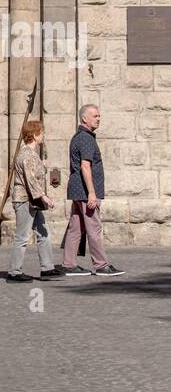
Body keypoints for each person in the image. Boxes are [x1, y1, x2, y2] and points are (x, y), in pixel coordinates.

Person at [62, 104, 123, 277]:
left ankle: (69, 264)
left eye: (99, 116)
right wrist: (92, 193)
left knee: (75, 227)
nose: (98, 119)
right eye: (95, 116)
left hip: (76, 190)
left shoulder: (78, 137)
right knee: (94, 227)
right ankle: (101, 265)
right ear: (84, 119)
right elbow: (85, 167)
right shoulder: (86, 138)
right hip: (84, 191)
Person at [7, 120, 62, 282]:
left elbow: (33, 174)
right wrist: (43, 196)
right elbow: (30, 179)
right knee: (22, 236)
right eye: (41, 132)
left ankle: (47, 268)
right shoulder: (27, 154)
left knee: (43, 233)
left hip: (32, 199)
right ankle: (14, 272)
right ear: (35, 135)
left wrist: (43, 167)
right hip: (25, 199)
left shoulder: (31, 154)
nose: (43, 135)